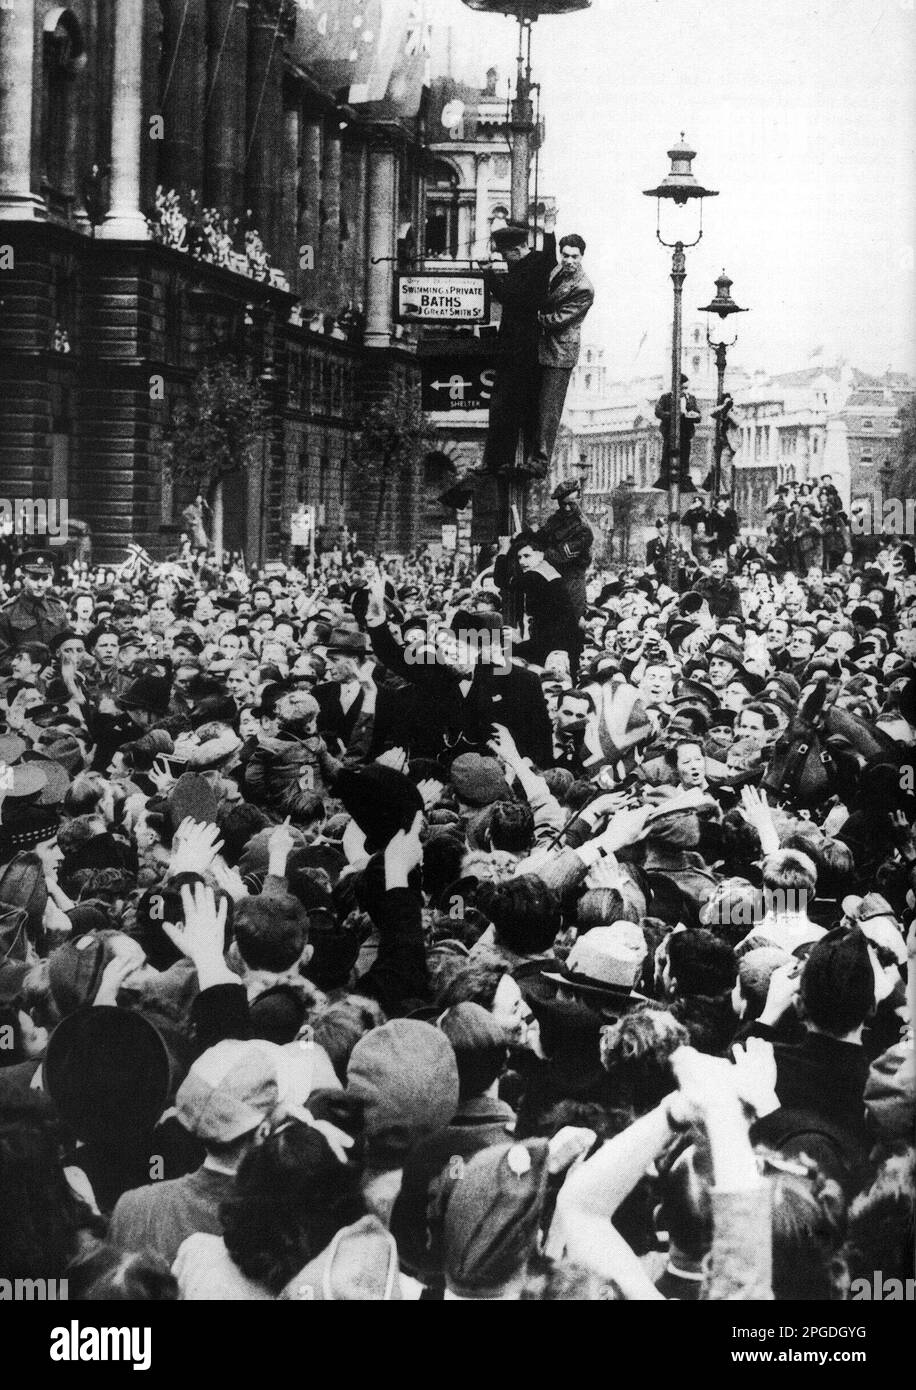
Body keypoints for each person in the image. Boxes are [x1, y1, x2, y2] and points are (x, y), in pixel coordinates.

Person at [477, 219, 557, 478]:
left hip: (521, 348)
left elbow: (508, 297)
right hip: (521, 346)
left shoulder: (529, 267)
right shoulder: (532, 264)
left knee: (507, 404)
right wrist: (549, 229)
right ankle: (500, 461)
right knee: (512, 404)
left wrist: (489, 274)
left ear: (516, 249)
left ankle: (502, 460)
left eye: (505, 254)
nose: (504, 259)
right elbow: (549, 252)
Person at [529, 233, 595, 477]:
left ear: (582, 257)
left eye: (574, 257)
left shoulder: (584, 288)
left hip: (560, 351)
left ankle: (541, 461)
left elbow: (559, 319)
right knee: (535, 404)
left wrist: (531, 318)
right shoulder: (556, 271)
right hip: (541, 346)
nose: (568, 261)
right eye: (565, 255)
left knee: (549, 409)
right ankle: (531, 455)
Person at [535, 479, 593, 620]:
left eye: (571, 504)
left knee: (570, 624)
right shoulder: (555, 520)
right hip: (551, 580)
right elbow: (539, 538)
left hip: (571, 582)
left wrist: (540, 553)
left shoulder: (583, 528)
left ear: (578, 500)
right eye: (563, 504)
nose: (567, 508)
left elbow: (561, 556)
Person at [652, 374, 701, 492]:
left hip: (685, 433)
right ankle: (665, 479)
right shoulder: (666, 398)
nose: (685, 391)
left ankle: (684, 478)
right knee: (667, 455)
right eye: (683, 388)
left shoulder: (691, 398)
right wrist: (674, 415)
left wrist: (694, 415)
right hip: (670, 432)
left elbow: (698, 416)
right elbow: (658, 412)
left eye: (686, 388)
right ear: (676, 386)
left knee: (685, 456)